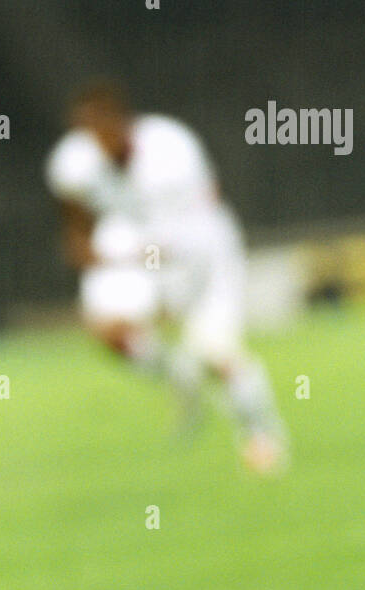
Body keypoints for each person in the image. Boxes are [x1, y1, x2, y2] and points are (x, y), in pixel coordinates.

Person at [45, 82, 287, 473]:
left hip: (203, 252)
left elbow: (195, 225)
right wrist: (86, 249)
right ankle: (179, 374)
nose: (94, 141)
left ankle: (261, 434)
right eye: (84, 132)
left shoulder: (170, 146)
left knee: (216, 352)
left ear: (123, 121)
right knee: (108, 330)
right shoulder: (72, 163)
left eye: (100, 128)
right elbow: (75, 222)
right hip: (138, 251)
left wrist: (135, 261)